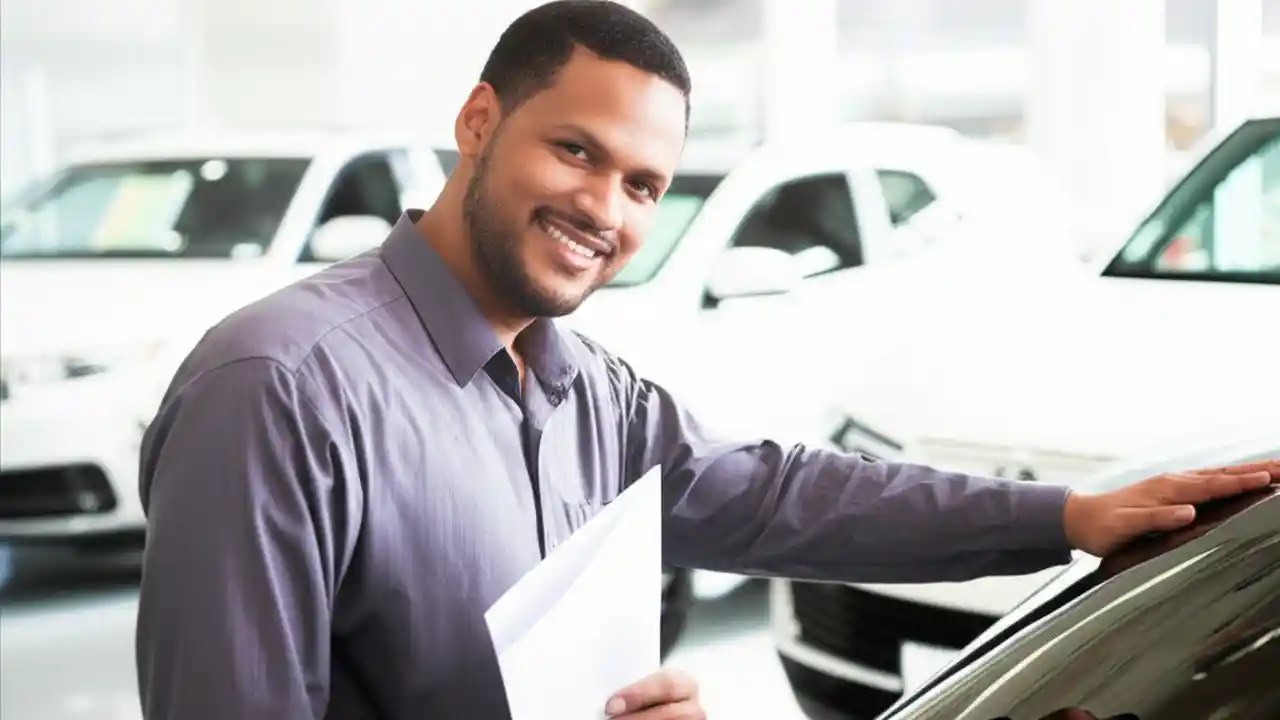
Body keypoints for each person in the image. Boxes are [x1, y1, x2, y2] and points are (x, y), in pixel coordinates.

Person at [133, 2, 1279, 719]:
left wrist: (1068, 516)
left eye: (641, 184)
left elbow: (789, 494)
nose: (603, 207)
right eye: (573, 150)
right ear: (478, 120)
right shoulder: (279, 388)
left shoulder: (587, 392)